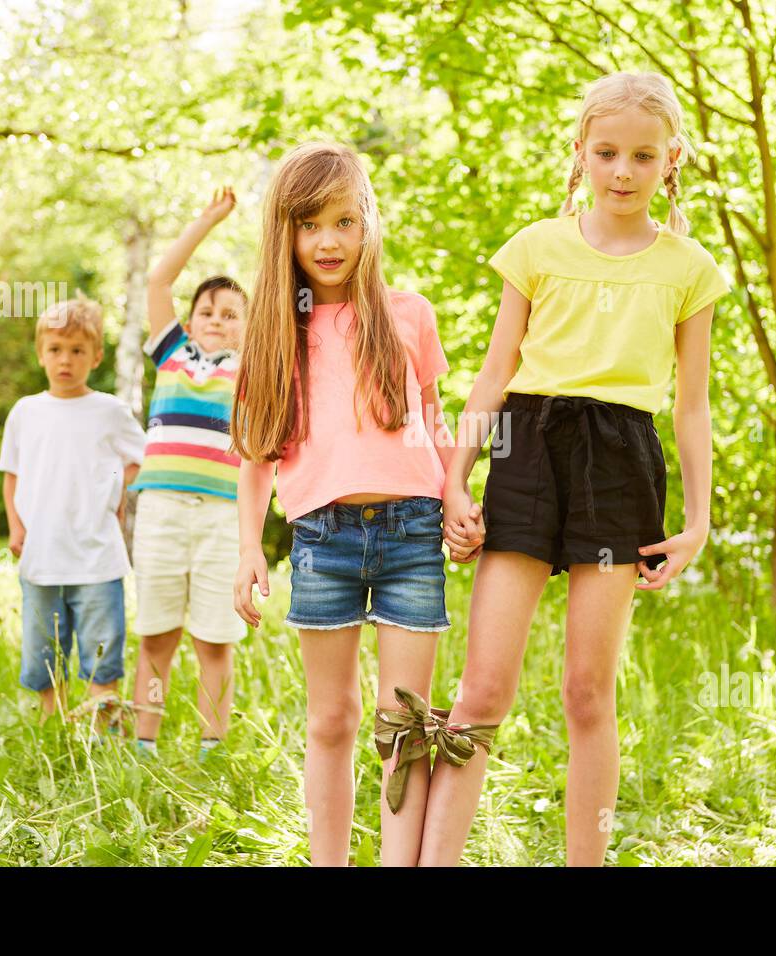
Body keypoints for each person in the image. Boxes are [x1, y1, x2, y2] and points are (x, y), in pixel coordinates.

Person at [424, 71, 731, 865]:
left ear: (670, 162)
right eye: (606, 153)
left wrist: (697, 521)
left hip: (621, 462)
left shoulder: (689, 268)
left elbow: (691, 407)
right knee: (481, 691)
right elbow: (492, 376)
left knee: (587, 693)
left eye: (641, 155)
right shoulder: (535, 248)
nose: (622, 171)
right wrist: (455, 477)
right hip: (525, 449)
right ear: (580, 154)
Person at [230, 142, 482, 866]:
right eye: (310, 225)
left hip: (411, 532)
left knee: (403, 723)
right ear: (287, 234)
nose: (329, 241)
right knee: (332, 718)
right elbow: (255, 453)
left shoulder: (407, 315)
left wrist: (458, 493)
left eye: (344, 221)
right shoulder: (275, 332)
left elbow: (433, 419)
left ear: (368, 222)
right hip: (320, 540)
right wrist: (251, 546)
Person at [127, 189, 250, 763]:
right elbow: (158, 282)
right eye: (208, 311)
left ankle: (212, 747)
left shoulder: (252, 369)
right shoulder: (173, 352)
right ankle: (145, 741)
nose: (217, 321)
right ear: (191, 318)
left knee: (214, 639)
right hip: (162, 511)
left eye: (231, 315)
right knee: (156, 636)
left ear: (249, 327)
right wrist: (206, 219)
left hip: (225, 517)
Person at [0, 295, 145, 726]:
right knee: (43, 646)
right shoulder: (25, 412)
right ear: (40, 353)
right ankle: (55, 725)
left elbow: (140, 459)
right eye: (56, 349)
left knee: (103, 647)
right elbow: (12, 475)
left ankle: (103, 727)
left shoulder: (110, 411)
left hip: (98, 555)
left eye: (78, 350)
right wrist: (15, 527)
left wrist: (115, 491)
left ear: (96, 356)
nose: (66, 360)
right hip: (42, 555)